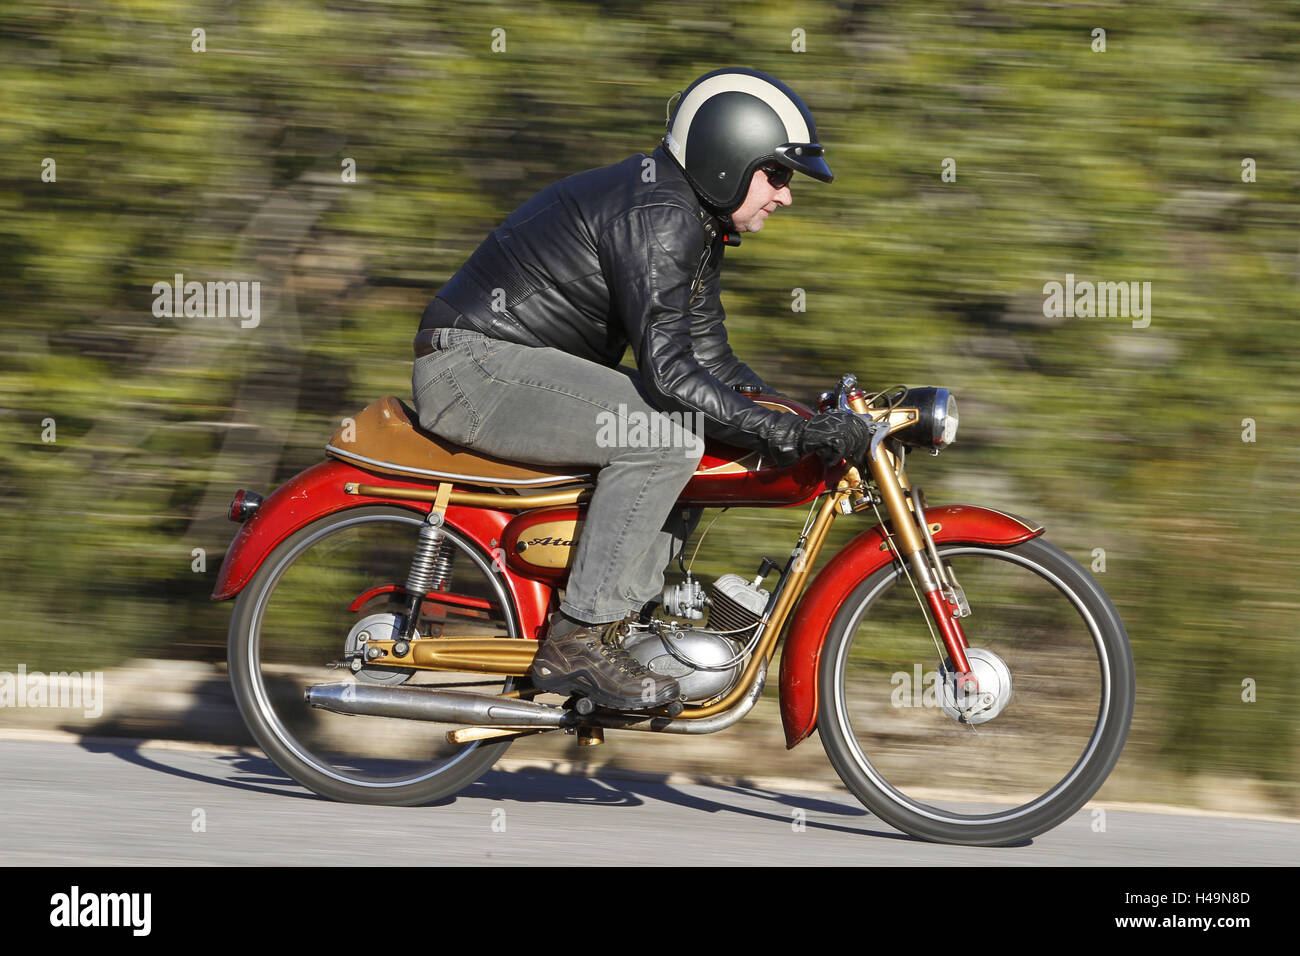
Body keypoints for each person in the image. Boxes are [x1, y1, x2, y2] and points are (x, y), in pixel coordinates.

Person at [411, 67, 875, 712]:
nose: (786, 197)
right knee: (663, 437)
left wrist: (799, 417)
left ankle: (620, 629)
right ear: (728, 158)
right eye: (778, 175)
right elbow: (671, 376)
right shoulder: (660, 215)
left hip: (506, 365)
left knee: (701, 440)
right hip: (473, 367)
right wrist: (787, 433)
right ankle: (579, 642)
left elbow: (711, 362)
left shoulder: (692, 221)